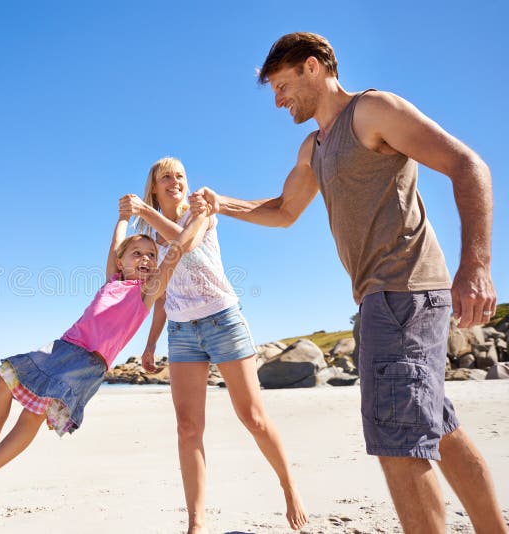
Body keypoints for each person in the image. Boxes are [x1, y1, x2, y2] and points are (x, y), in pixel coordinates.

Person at [189, 32, 505, 534]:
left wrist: (478, 265)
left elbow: (469, 166)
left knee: (398, 438)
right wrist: (221, 203)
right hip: (383, 297)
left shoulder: (372, 111)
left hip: (403, 291)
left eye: (282, 85)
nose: (277, 100)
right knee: (436, 426)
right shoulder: (314, 146)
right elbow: (285, 210)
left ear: (313, 67)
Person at [0, 204, 208, 502]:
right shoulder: (113, 281)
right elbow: (114, 245)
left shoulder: (148, 292)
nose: (146, 258)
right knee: (4, 378)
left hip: (88, 363)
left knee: (32, 416)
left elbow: (175, 253)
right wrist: (123, 216)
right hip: (62, 347)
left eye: (151, 255)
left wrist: (197, 220)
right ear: (120, 262)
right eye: (137, 253)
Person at [121, 156, 307, 533]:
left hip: (224, 321)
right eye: (166, 177)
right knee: (187, 428)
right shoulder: (147, 238)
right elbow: (160, 294)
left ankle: (289, 488)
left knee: (252, 417)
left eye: (180, 176)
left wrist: (143, 210)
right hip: (181, 332)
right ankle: (196, 523)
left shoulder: (202, 209)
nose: (175, 181)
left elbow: (185, 243)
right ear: (154, 187)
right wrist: (150, 344)